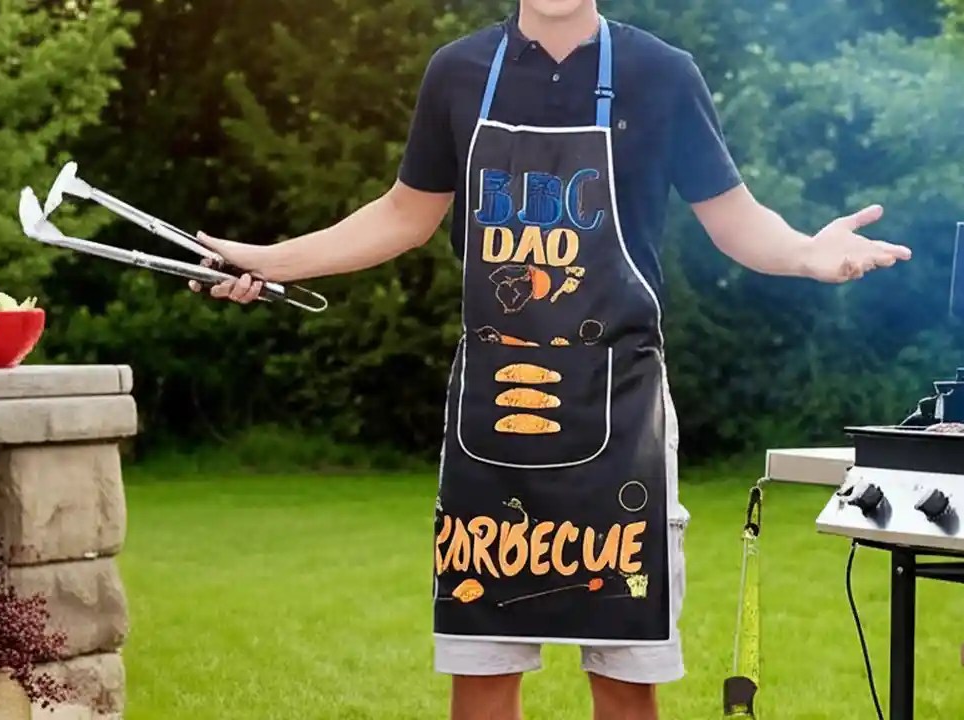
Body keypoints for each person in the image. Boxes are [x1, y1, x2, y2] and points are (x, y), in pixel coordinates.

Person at [190, 0, 911, 718]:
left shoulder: (661, 73)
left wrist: (809, 254)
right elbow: (404, 214)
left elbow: (736, 220)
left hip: (622, 415)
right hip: (489, 415)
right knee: (481, 668)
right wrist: (270, 261)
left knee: (627, 677)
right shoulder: (458, 72)